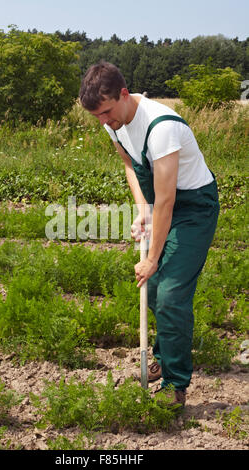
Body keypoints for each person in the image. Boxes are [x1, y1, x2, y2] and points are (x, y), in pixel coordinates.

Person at [79, 61, 219, 407]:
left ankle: (175, 384)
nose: (104, 122)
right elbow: (130, 164)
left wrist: (152, 258)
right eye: (97, 116)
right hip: (162, 200)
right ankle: (164, 354)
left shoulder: (161, 128)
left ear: (124, 94)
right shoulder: (114, 122)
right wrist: (142, 207)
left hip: (193, 209)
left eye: (107, 112)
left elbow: (168, 200)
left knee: (169, 292)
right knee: (155, 289)